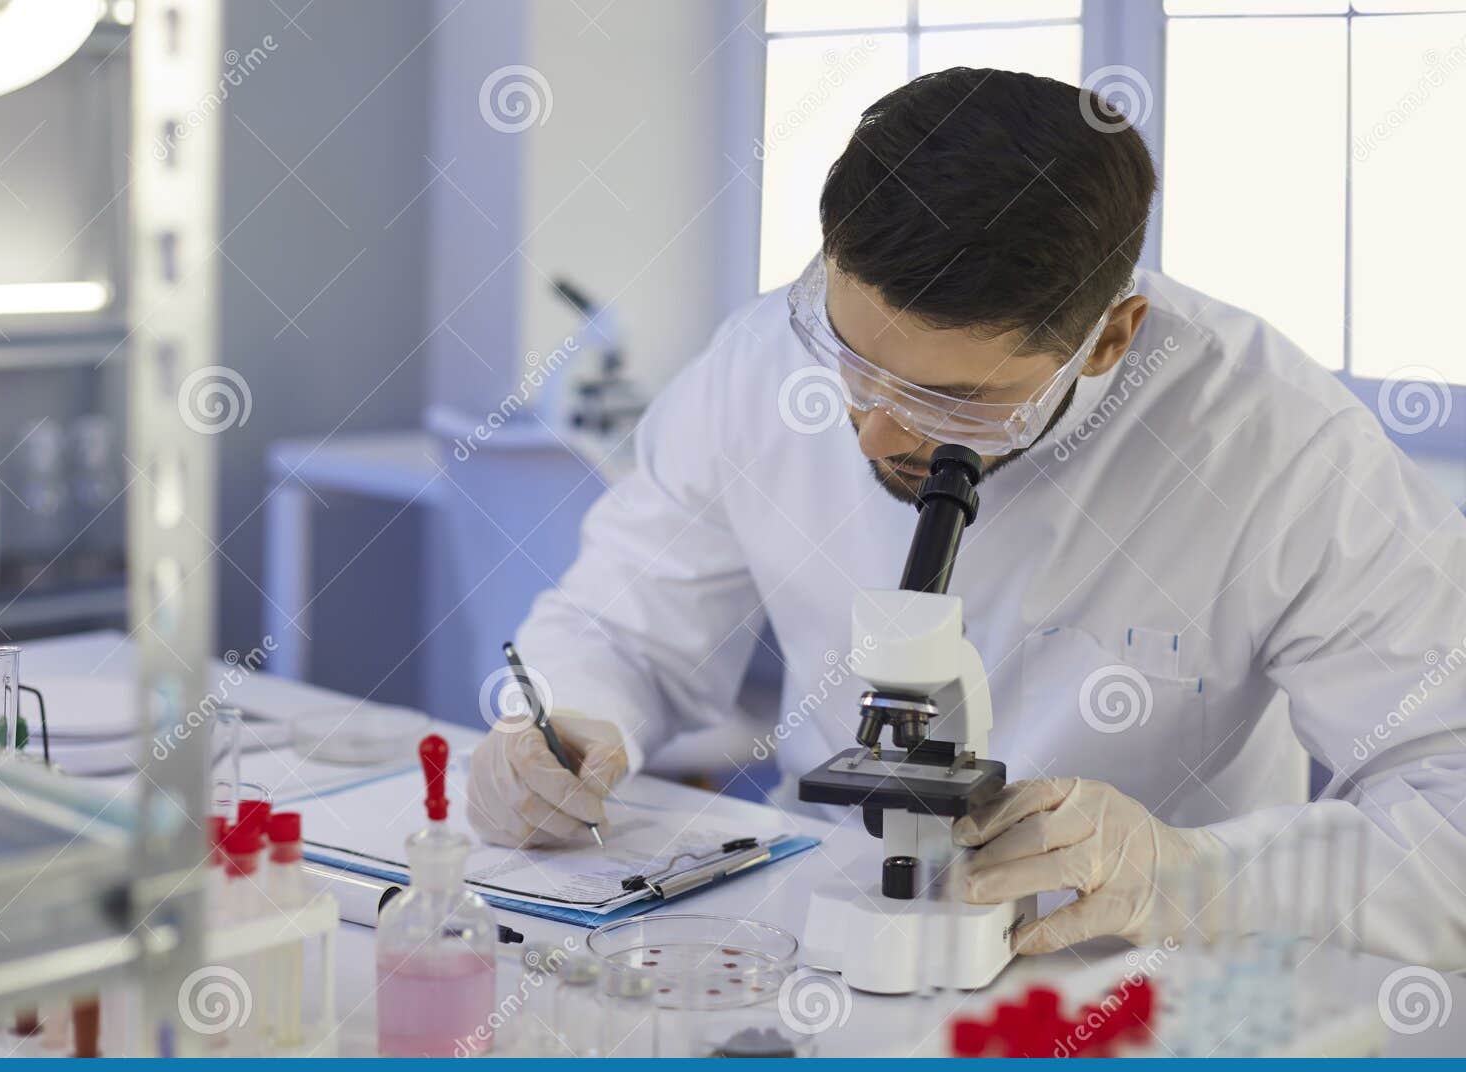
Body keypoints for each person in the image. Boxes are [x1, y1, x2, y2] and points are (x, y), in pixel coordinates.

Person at [467, 68, 1466, 967]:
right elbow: (616, 630)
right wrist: (561, 730)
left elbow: (1451, 807)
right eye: (853, 362)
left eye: (949, 399)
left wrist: (1182, 872)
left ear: (1110, 336)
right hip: (824, 924)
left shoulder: (1275, 440)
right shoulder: (752, 370)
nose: (869, 431)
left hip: (1144, 969)